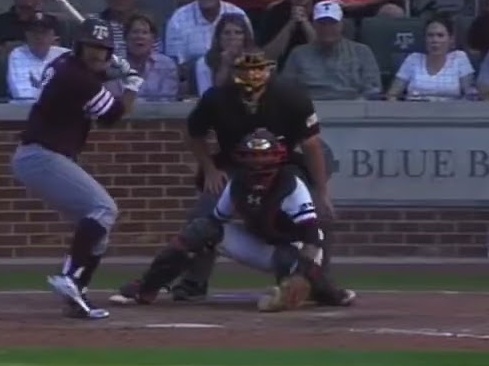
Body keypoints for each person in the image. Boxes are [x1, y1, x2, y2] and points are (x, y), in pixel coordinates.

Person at [110, 52, 348, 308]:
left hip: (283, 172)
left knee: (319, 220)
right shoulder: (219, 105)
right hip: (234, 167)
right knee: (201, 222)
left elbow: (310, 147)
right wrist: (210, 169)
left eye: (258, 71)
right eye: (245, 73)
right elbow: (194, 134)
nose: (251, 80)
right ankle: (186, 283)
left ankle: (319, 284)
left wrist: (322, 190)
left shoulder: (291, 175)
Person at [111, 129, 354, 312]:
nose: (258, 163)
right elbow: (214, 223)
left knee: (298, 268)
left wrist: (303, 274)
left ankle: (325, 290)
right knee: (201, 229)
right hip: (261, 245)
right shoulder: (237, 183)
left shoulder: (290, 185)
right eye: (253, 157)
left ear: (276, 158)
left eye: (264, 157)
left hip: (296, 249)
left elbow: (313, 237)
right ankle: (148, 286)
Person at [10, 17, 144, 320]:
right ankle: (70, 276)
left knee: (98, 229)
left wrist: (113, 72)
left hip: (45, 156)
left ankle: (76, 298)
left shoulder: (68, 67)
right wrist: (133, 83)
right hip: (41, 155)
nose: (96, 54)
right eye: (91, 48)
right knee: (104, 208)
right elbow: (113, 116)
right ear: (79, 47)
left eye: (102, 49)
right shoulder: (78, 79)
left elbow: (93, 79)